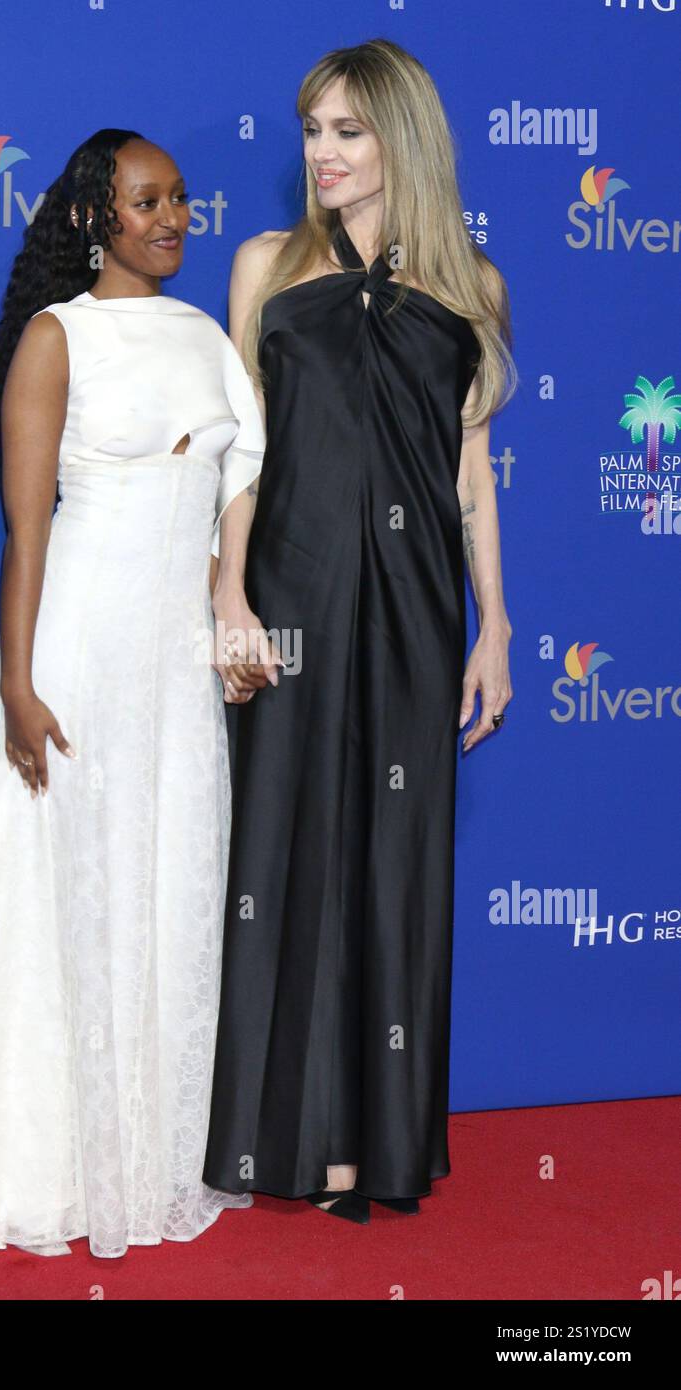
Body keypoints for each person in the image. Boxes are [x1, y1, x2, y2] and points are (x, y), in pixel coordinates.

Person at [0, 129, 264, 1258]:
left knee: (165, 888)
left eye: (180, 201)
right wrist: (15, 680)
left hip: (170, 669)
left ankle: (152, 1156)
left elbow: (235, 477)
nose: (169, 219)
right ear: (89, 218)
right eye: (144, 201)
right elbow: (24, 535)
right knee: (64, 905)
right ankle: (50, 1166)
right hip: (75, 658)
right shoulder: (55, 340)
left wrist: (228, 614)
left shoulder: (206, 337)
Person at [202, 39, 516, 1223]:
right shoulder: (262, 268)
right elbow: (240, 448)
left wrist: (494, 626)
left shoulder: (467, 285)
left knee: (394, 866)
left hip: (416, 604)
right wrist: (227, 597)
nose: (322, 154)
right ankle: (281, 1140)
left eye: (347, 131)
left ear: (402, 140)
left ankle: (375, 1147)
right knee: (282, 858)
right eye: (311, 131)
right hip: (289, 594)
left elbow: (470, 468)